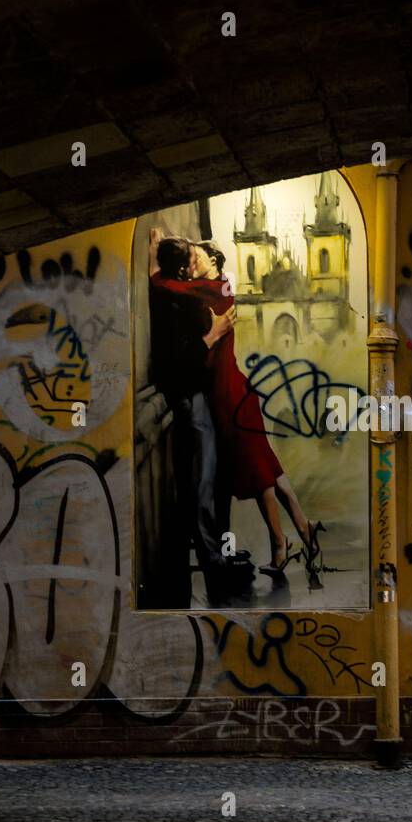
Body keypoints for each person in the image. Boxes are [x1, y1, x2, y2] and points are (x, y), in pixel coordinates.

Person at [187, 240, 326, 585]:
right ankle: (304, 528)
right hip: (231, 394)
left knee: (259, 470)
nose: (190, 265)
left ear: (215, 262)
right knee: (266, 466)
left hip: (232, 395)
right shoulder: (213, 290)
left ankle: (281, 545)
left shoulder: (217, 289)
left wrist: (157, 264)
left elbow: (174, 285)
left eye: (196, 258)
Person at [148, 232, 252, 605]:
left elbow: (165, 282)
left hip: (204, 396)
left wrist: (159, 259)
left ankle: (216, 557)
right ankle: (214, 561)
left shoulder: (190, 291)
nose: (196, 259)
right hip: (193, 397)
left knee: (209, 482)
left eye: (198, 254)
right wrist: (215, 334)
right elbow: (182, 356)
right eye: (191, 256)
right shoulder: (179, 297)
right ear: (182, 266)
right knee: (204, 484)